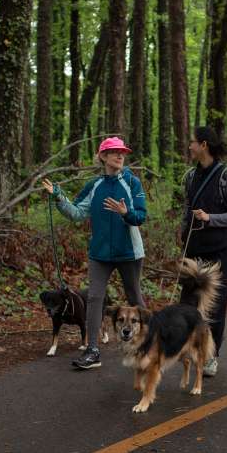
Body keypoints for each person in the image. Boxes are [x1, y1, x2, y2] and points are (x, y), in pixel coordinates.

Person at [41, 136, 147, 370]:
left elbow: (141, 216)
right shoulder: (95, 185)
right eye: (115, 152)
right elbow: (77, 213)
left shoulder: (132, 182)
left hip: (129, 252)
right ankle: (92, 350)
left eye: (122, 152)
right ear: (103, 157)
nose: (120, 155)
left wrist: (125, 213)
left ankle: (149, 344)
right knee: (94, 298)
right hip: (100, 253)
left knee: (135, 298)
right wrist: (58, 196)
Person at [179, 126, 227, 377]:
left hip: (220, 251)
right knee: (188, 303)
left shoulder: (226, 177)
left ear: (204, 145)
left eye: (192, 142)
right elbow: (186, 210)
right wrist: (183, 234)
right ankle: (191, 348)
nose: (190, 146)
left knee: (215, 306)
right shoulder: (190, 177)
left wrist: (209, 217)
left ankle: (211, 357)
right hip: (194, 249)